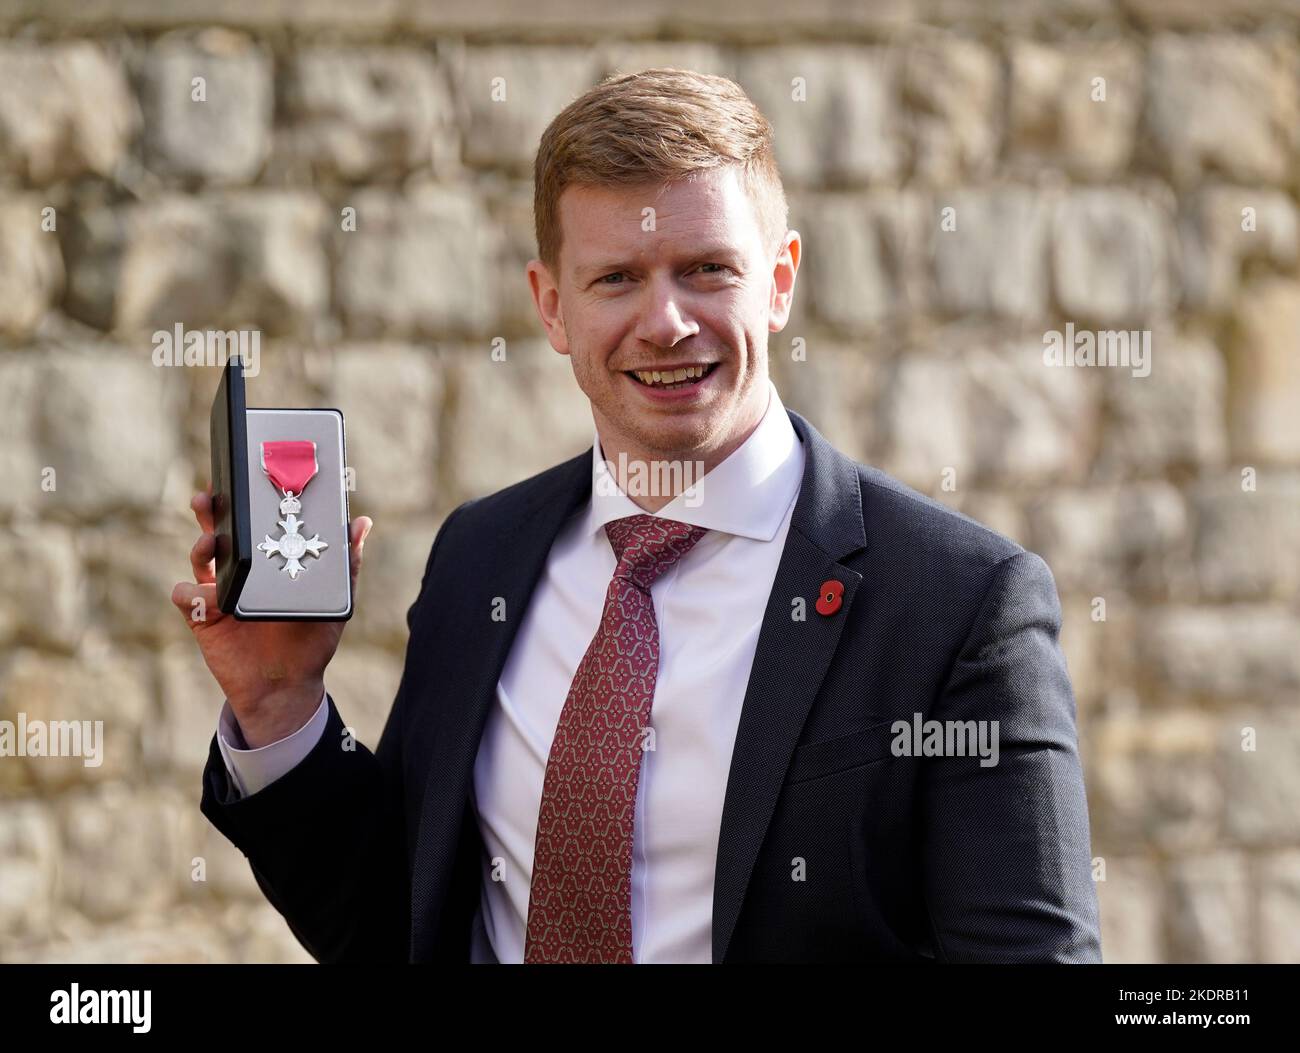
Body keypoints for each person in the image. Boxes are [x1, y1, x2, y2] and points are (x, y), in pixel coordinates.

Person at [172, 68, 1102, 963]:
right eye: (617, 279)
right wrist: (281, 704)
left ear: (779, 281)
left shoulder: (958, 603)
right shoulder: (479, 558)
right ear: (551, 307)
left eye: (706, 269)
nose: (665, 321)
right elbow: (398, 926)